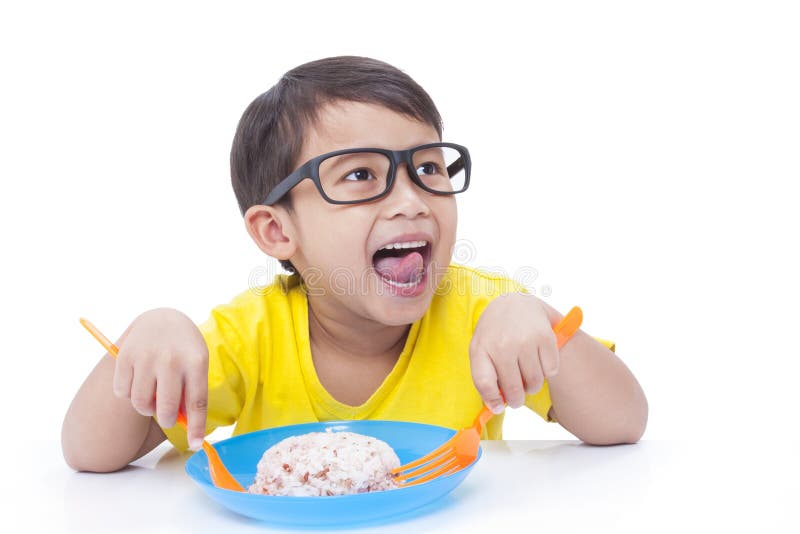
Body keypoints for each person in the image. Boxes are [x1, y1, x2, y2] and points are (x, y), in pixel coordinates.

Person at [62, 56, 648, 473]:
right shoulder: (249, 336)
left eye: (428, 168)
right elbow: (91, 454)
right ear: (277, 230)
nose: (413, 199)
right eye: (362, 174)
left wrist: (538, 319)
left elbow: (623, 423)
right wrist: (151, 333)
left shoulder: (485, 316)